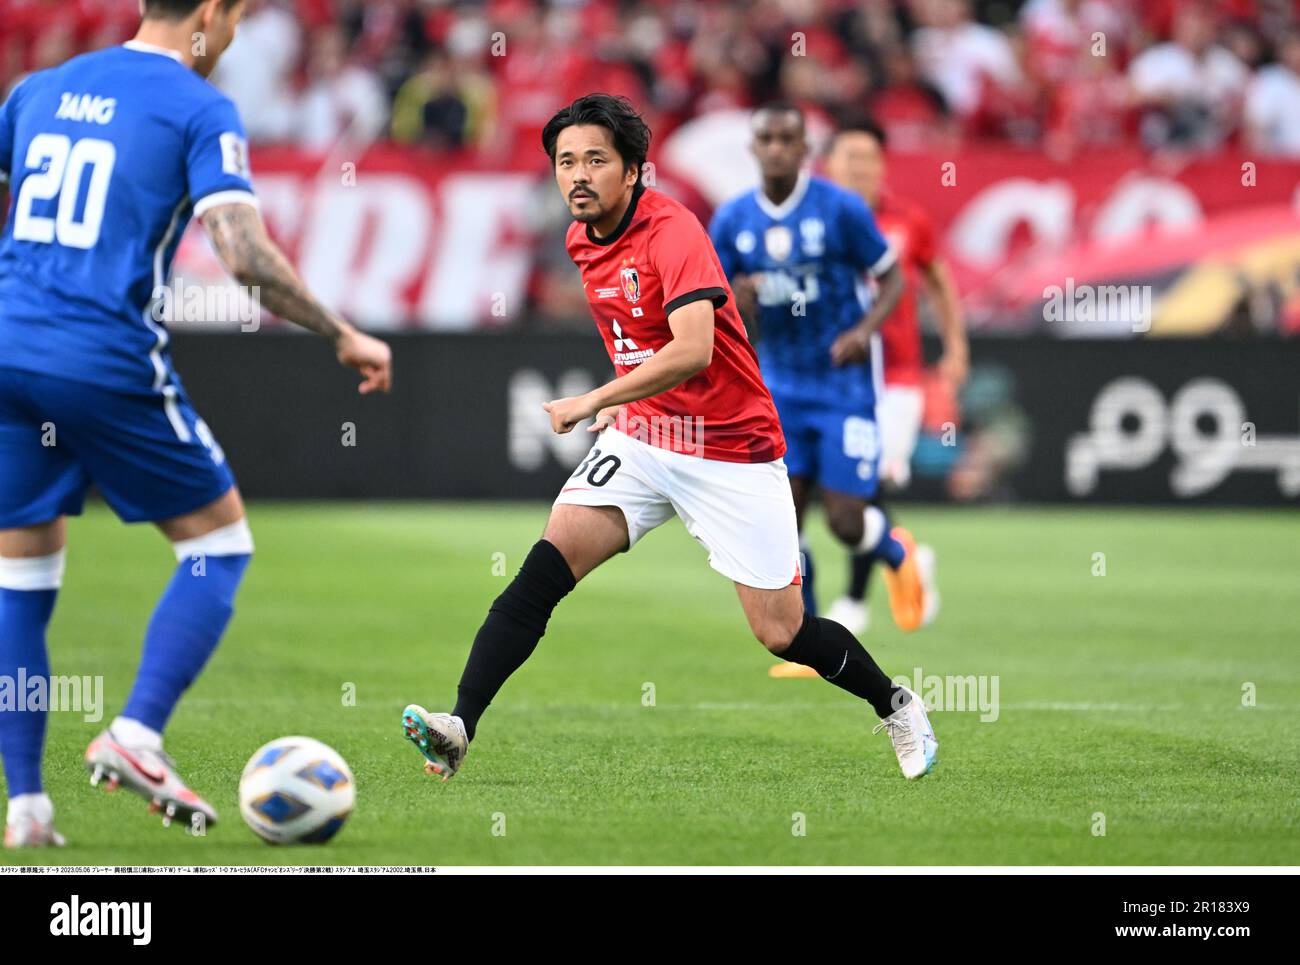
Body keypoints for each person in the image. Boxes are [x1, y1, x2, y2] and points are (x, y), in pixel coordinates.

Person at [401, 94, 937, 785]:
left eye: (596, 159)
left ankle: (894, 702)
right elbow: (640, 347)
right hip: (647, 440)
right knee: (542, 572)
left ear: (633, 171)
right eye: (566, 162)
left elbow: (692, 350)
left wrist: (597, 399)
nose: (578, 175)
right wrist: (626, 409)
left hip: (732, 450)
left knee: (783, 631)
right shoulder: (578, 239)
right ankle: (458, 726)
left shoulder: (673, 231)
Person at [0, 0, 392, 848]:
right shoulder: (197, 105)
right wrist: (342, 331)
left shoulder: (40, 87)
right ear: (211, 14)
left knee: (22, 581)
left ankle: (27, 807)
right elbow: (244, 257)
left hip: (7, 348)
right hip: (98, 354)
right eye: (240, 19)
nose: (238, 36)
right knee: (219, 544)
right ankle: (135, 735)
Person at [708, 103, 935, 640]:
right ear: (753, 149)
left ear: (807, 149)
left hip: (843, 386)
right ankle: (808, 637)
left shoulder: (841, 209)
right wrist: (737, 303)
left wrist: (864, 332)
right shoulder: (734, 219)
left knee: (845, 522)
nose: (779, 149)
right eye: (768, 139)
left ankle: (896, 550)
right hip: (778, 387)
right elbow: (711, 302)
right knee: (783, 522)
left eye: (790, 139)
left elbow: (893, 278)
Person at [823, 118, 967, 635]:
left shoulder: (908, 221)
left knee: (861, 484)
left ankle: (854, 601)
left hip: (895, 380)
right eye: (850, 157)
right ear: (829, 164)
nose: (860, 168)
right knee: (836, 486)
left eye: (869, 158)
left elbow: (938, 281)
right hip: (832, 379)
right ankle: (902, 552)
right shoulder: (813, 221)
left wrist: (955, 345)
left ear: (883, 165)